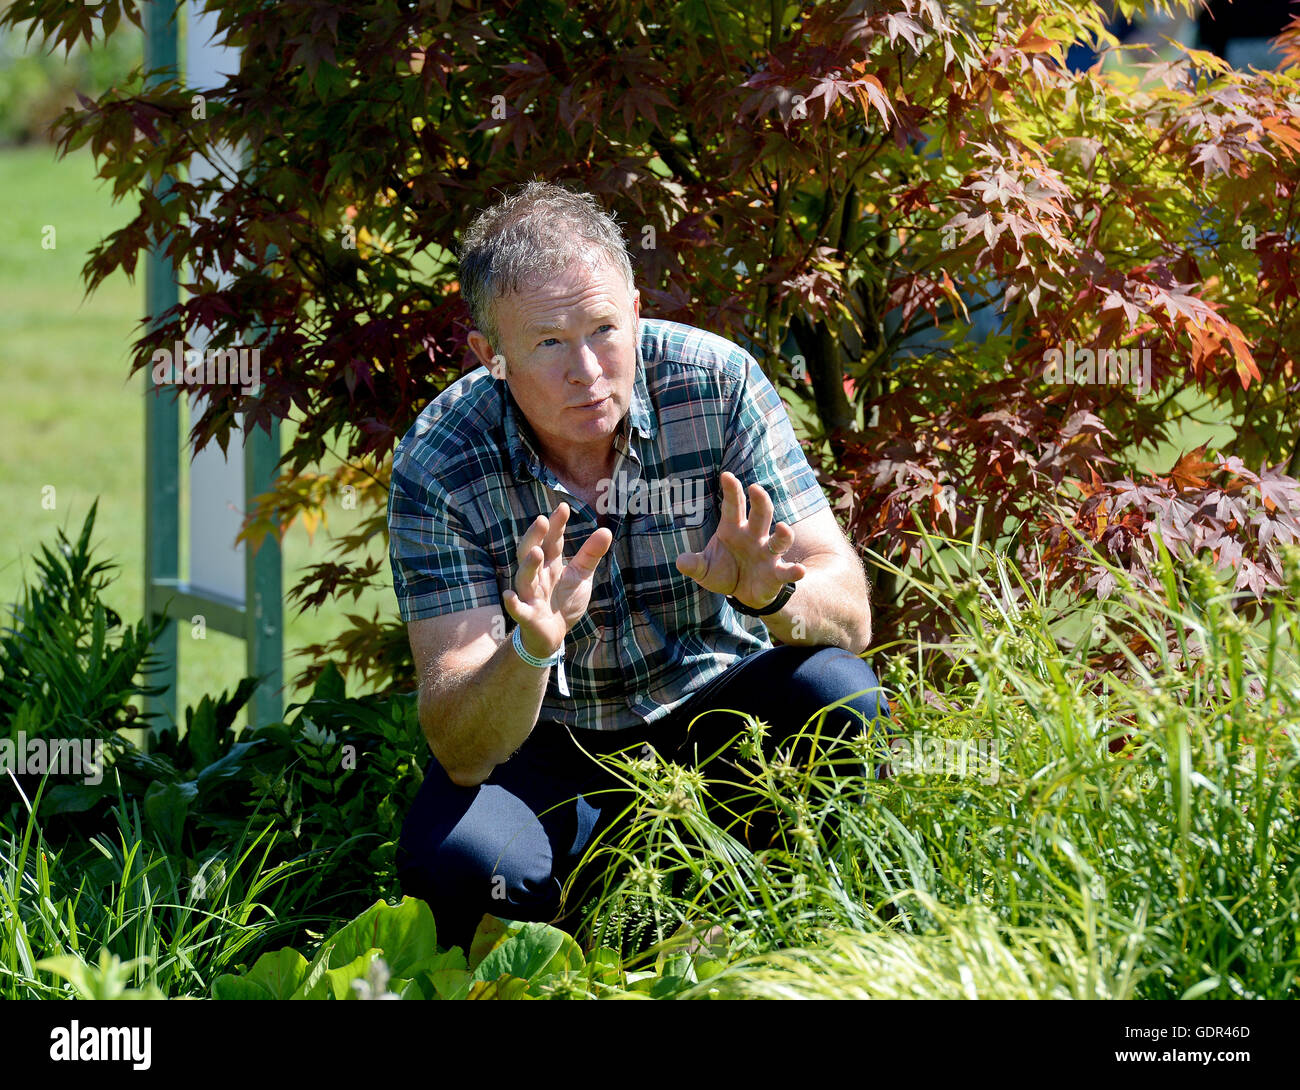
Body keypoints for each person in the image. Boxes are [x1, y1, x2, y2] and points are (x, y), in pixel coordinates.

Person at [387, 181, 890, 951]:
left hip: (715, 715)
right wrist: (531, 646)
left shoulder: (714, 383)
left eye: (603, 328)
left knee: (836, 696)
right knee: (459, 861)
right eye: (548, 342)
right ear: (492, 356)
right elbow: (460, 745)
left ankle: (804, 936)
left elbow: (850, 616)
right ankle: (582, 947)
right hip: (548, 747)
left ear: (636, 306)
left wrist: (773, 594)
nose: (586, 370)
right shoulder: (440, 459)